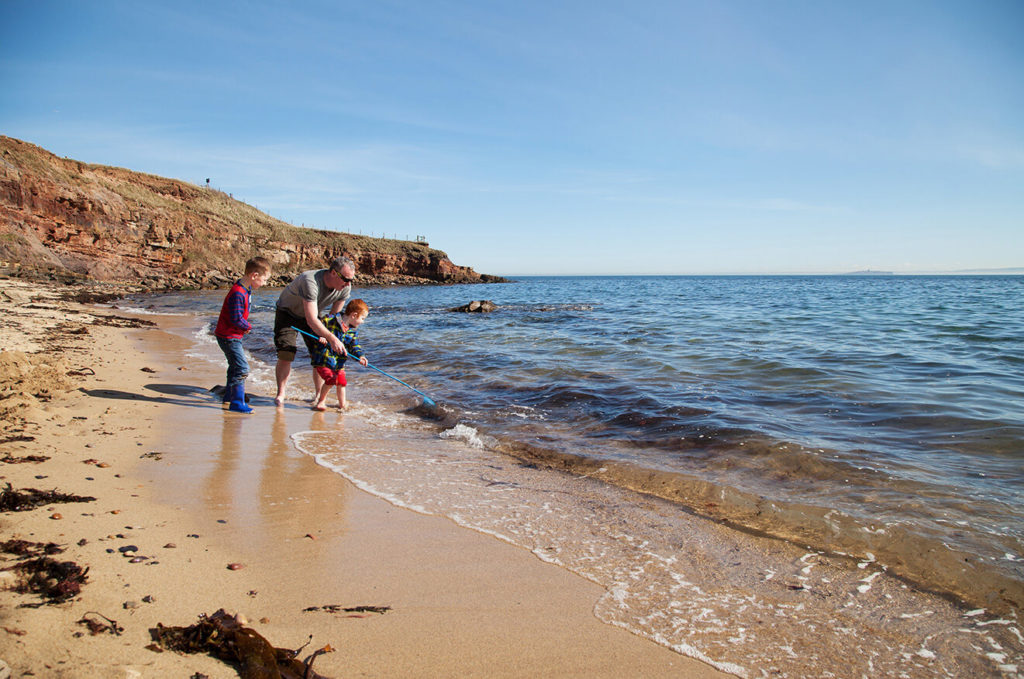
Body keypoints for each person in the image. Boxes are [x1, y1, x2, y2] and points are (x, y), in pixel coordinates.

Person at [273, 256, 357, 405]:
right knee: (287, 351)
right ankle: (281, 393)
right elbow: (311, 320)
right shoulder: (310, 281)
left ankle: (318, 395)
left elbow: (333, 318)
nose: (348, 284)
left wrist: (336, 338)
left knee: (320, 352)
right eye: (345, 279)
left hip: (313, 314)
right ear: (333, 273)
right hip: (287, 312)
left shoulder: (345, 288)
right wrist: (332, 338)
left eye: (351, 280)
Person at [214, 256, 272, 413]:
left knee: (234, 366)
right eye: (265, 280)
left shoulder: (245, 288)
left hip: (229, 335)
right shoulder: (238, 293)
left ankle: (229, 396)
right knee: (242, 368)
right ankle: (237, 402)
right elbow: (235, 318)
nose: (265, 283)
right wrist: (247, 326)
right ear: (254, 276)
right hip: (228, 336)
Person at [310, 299, 370, 410]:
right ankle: (321, 401)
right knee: (331, 379)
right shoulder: (329, 320)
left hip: (339, 362)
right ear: (354, 315)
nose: (362, 322)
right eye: (362, 318)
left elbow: (354, 346)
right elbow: (314, 329)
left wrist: (360, 356)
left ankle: (342, 405)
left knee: (342, 381)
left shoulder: (352, 331)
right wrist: (320, 337)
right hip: (324, 358)